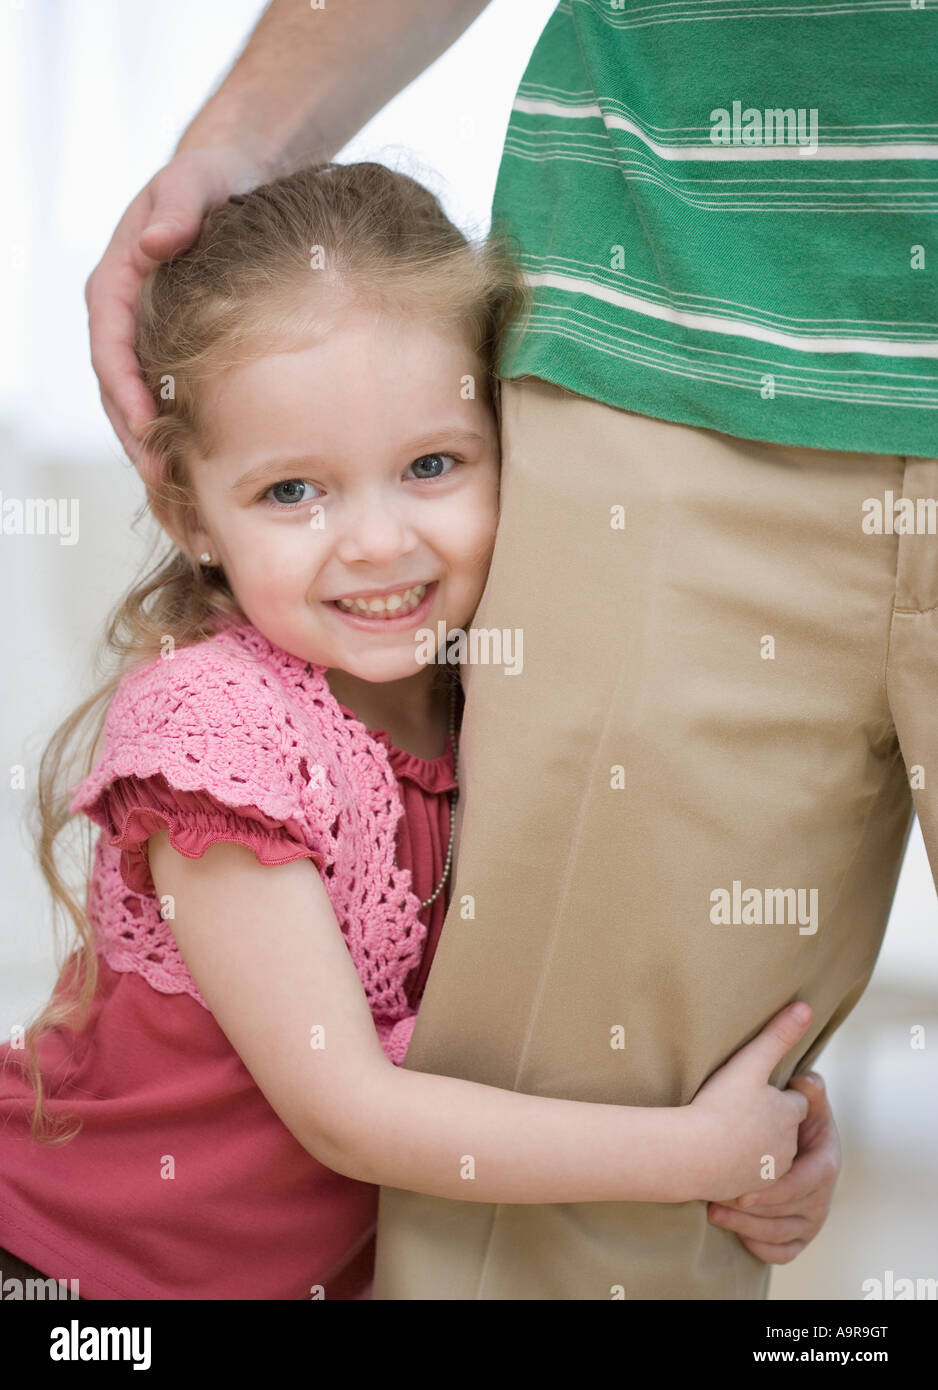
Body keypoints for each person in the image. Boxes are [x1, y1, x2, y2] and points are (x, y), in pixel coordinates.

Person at [79, 1, 914, 1300]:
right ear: (189, 511)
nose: (372, 544)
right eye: (292, 492)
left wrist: (762, 1141)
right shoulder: (217, 749)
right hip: (101, 1283)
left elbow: (607, 1038)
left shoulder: (501, 683)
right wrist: (685, 1152)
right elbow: (350, 1112)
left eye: (428, 465)